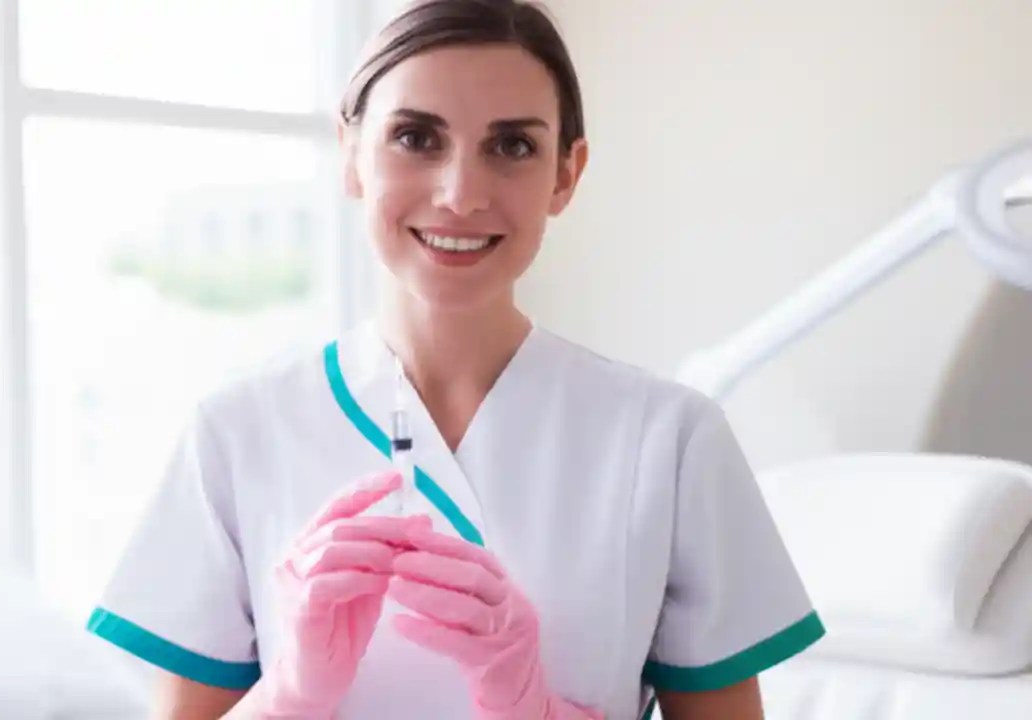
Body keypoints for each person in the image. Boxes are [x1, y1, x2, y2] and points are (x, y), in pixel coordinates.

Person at [87, 1, 824, 717]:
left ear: (566, 175)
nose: (461, 194)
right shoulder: (235, 434)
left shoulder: (670, 440)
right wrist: (289, 697)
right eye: (415, 137)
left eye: (512, 146)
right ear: (350, 154)